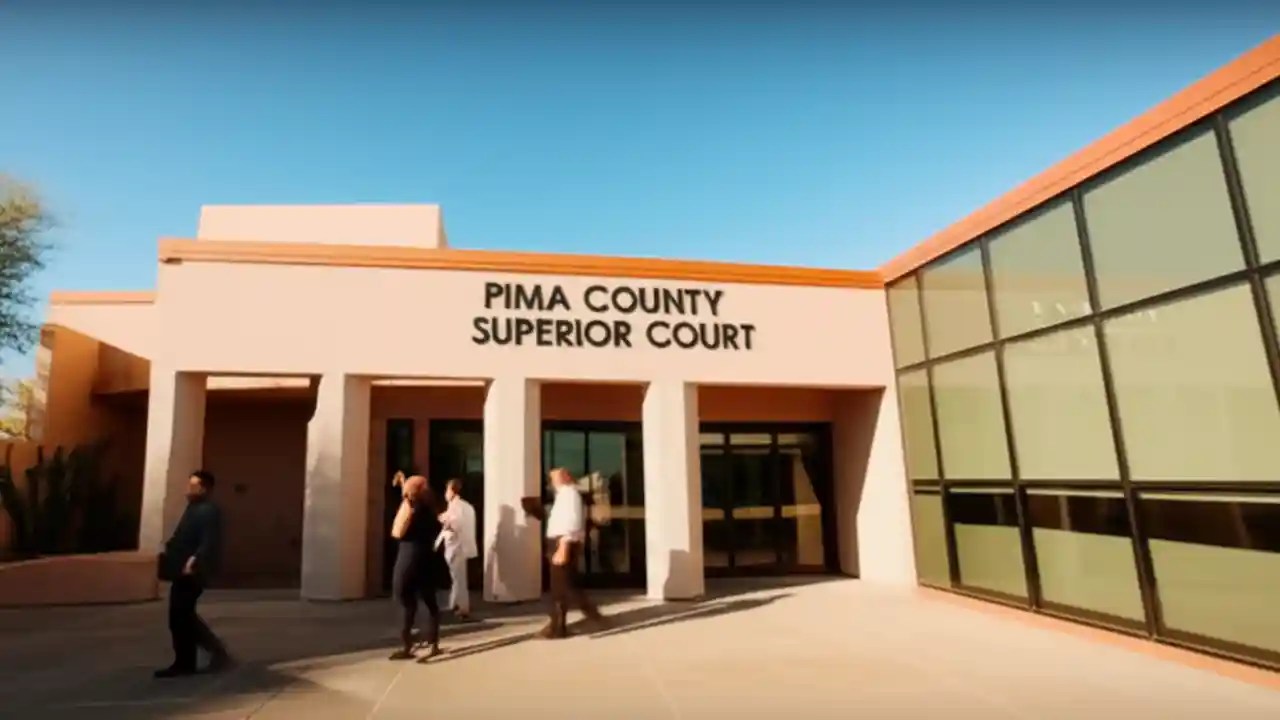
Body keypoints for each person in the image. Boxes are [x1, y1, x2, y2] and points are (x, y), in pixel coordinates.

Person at [155, 470, 231, 678]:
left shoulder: (209, 511)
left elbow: (209, 540)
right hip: (182, 569)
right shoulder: (193, 508)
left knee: (181, 615)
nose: (189, 489)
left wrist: (194, 560)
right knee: (182, 616)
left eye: (194, 486)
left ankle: (192, 660)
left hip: (193, 571)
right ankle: (204, 656)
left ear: (205, 488)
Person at [541, 467, 607, 639]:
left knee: (559, 587)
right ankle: (591, 614)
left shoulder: (569, 495)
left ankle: (557, 627)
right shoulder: (564, 495)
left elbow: (571, 521)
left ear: (564, 478)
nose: (551, 482)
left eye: (554, 478)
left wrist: (563, 545)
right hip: (561, 541)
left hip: (563, 542)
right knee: (569, 583)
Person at [389, 474, 444, 661]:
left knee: (406, 601)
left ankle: (407, 645)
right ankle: (433, 643)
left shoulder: (409, 507)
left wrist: (404, 491)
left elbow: (397, 532)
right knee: (430, 603)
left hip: (408, 558)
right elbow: (436, 528)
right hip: (426, 558)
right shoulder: (430, 508)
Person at [436, 477, 478, 621]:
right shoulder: (462, 506)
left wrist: (445, 521)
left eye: (447, 490)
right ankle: (454, 604)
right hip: (457, 546)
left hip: (457, 547)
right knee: (456, 577)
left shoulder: (458, 507)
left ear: (452, 491)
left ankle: (463, 608)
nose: (445, 494)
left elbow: (455, 525)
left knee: (459, 578)